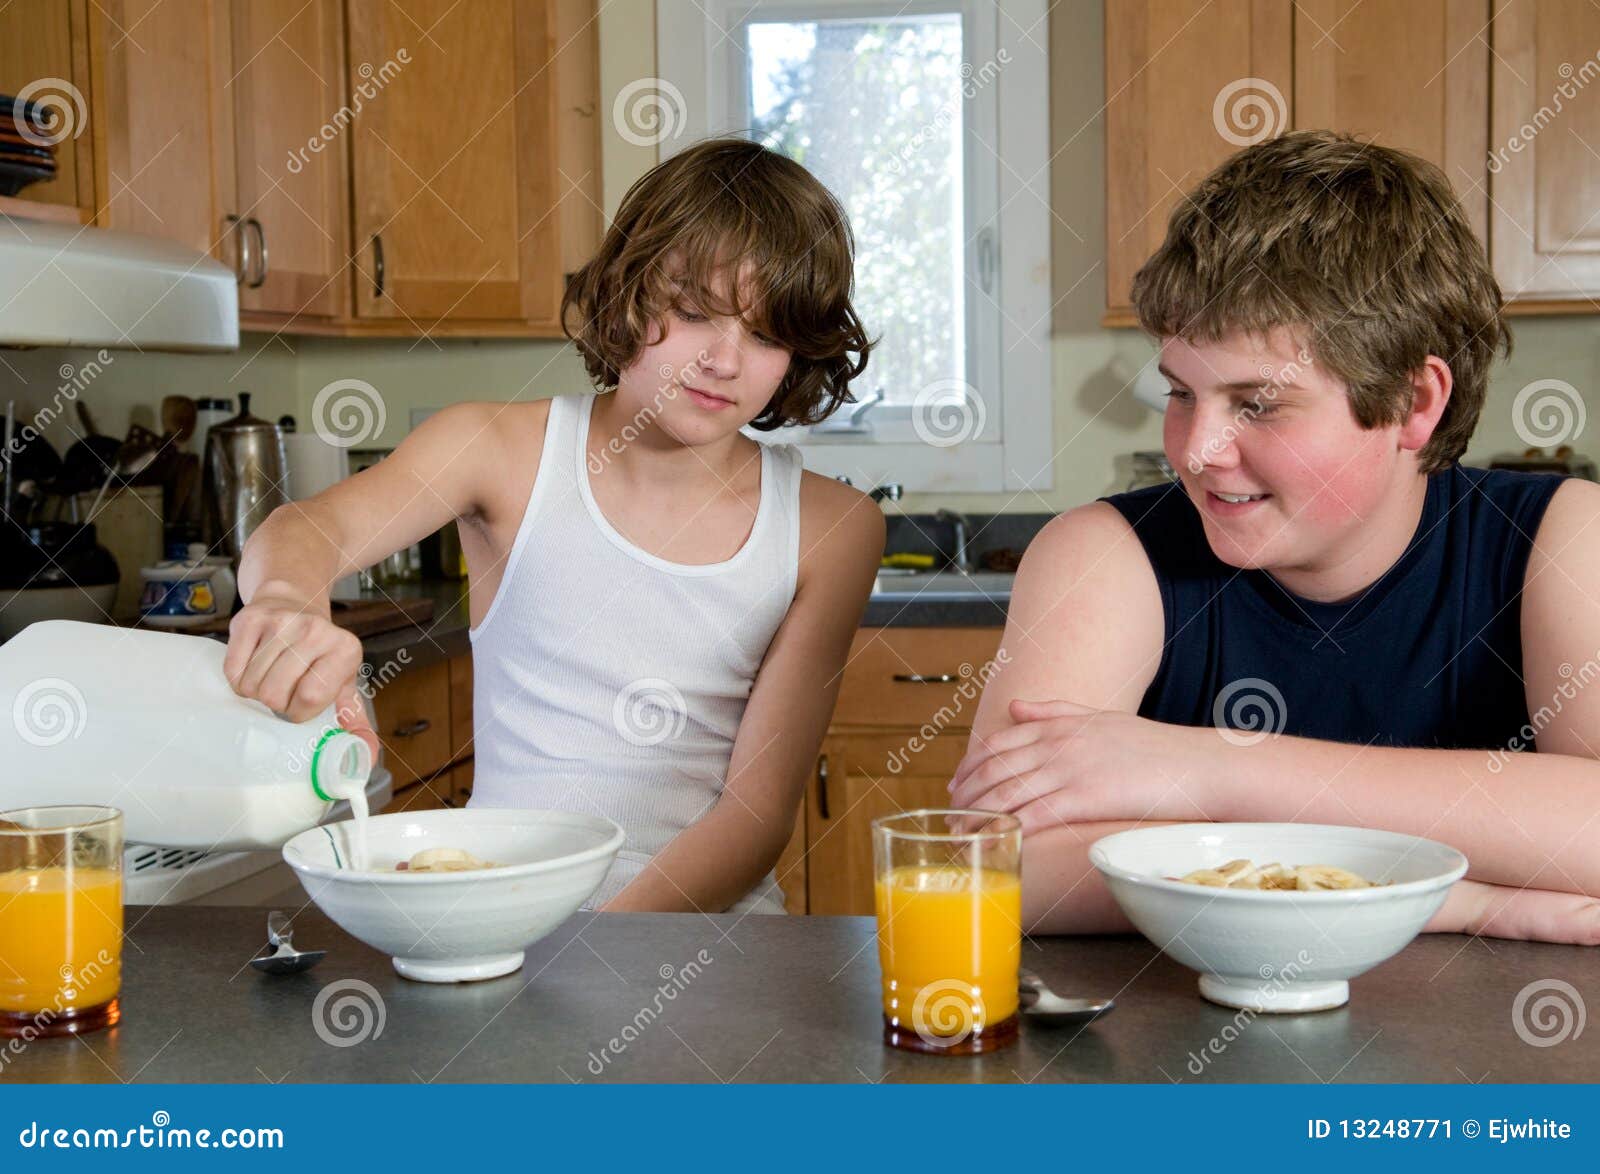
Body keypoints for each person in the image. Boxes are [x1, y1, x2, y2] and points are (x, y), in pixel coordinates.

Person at [951, 131, 1600, 945]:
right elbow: (1008, 862)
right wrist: (1461, 902)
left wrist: (1207, 767)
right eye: (1183, 393)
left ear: (1413, 402)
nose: (1194, 450)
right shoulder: (1102, 555)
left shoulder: (1560, 537)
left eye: (1256, 404)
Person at [226, 138, 884, 914]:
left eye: (768, 335)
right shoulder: (496, 449)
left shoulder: (833, 527)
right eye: (695, 312)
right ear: (629, 291)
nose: (725, 361)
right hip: (502, 911)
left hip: (700, 940)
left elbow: (757, 814)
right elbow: (309, 530)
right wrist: (283, 604)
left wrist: (598, 951)